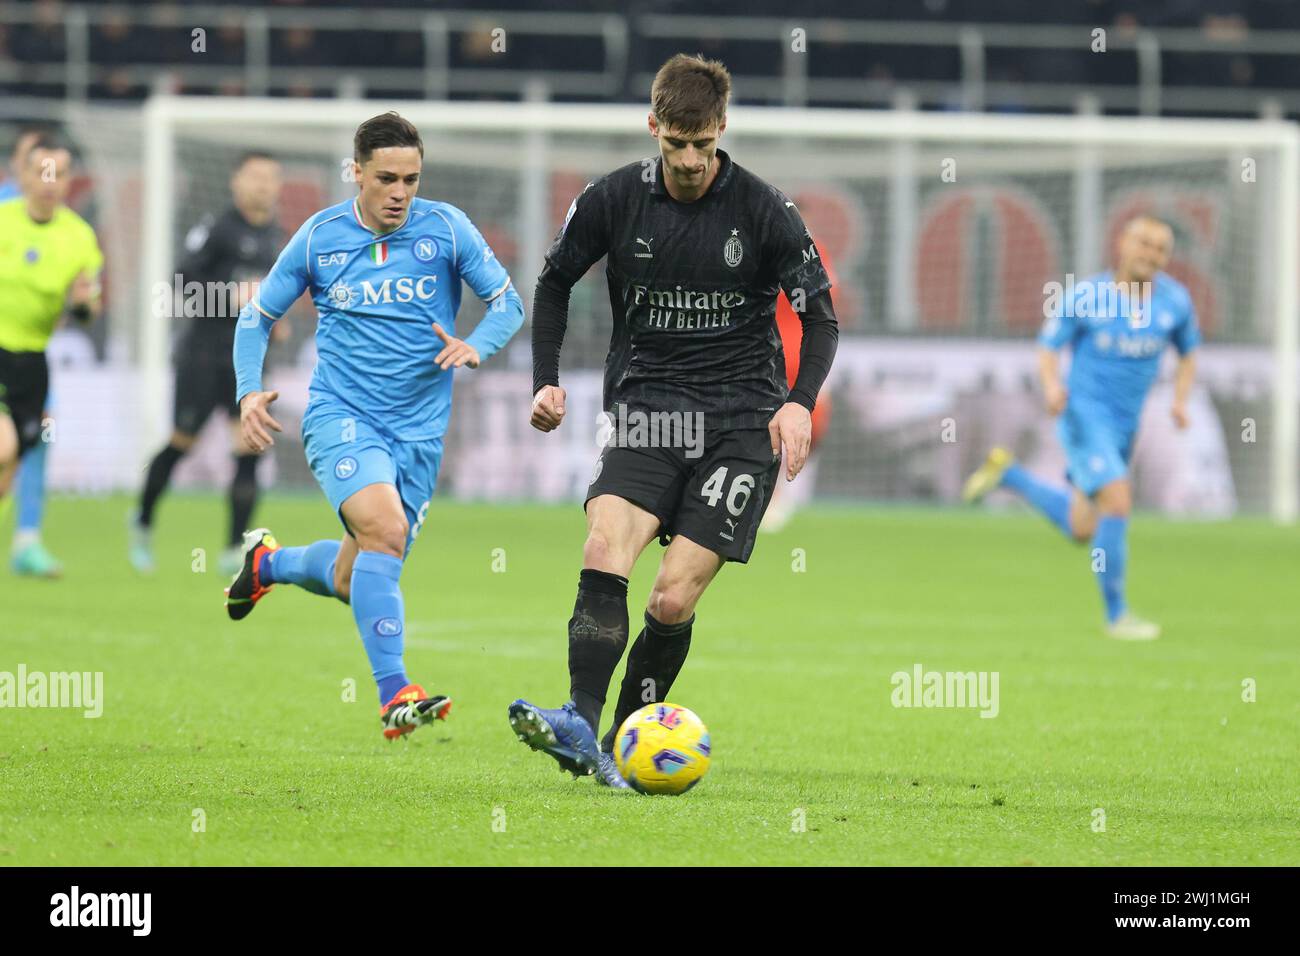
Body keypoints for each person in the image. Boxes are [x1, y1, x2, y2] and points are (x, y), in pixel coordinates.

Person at [509, 54, 838, 788]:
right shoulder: (613, 199)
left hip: (740, 423)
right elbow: (555, 281)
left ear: (721, 130)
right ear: (653, 127)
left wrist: (798, 401)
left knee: (672, 595)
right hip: (648, 410)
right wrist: (546, 381)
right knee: (603, 543)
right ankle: (578, 724)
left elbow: (820, 319)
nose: (690, 161)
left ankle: (626, 744)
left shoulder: (764, 209)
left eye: (703, 145)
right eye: (676, 144)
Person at [227, 112, 524, 739]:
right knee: (385, 532)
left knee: (349, 575)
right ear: (355, 172)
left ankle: (268, 566)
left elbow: (508, 303)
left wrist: (476, 345)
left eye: (411, 179)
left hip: (419, 435)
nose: (400, 192)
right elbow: (254, 318)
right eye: (386, 178)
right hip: (341, 416)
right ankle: (395, 693)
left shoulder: (446, 228)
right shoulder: (318, 238)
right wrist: (250, 392)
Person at [962, 215, 1199, 640]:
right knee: (1119, 502)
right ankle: (1118, 616)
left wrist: (1181, 401)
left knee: (1082, 528)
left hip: (1128, 425)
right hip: (1085, 417)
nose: (1151, 254)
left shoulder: (1175, 302)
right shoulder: (1087, 296)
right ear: (1123, 244)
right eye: (1144, 243)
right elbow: (1048, 348)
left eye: (1161, 248)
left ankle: (1008, 474)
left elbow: (1188, 354)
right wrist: (1052, 388)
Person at [129, 151, 286, 576]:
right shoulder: (216, 228)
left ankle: (234, 549)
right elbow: (181, 285)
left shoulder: (279, 236)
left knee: (249, 445)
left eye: (271, 178)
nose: (263, 185)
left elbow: (275, 293)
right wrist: (229, 297)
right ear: (235, 182)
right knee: (183, 440)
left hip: (248, 360)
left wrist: (278, 320)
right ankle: (142, 523)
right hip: (203, 355)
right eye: (254, 176)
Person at [0, 140, 103, 572]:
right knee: (3, 446)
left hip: (32, 362)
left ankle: (24, 542)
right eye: (40, 171)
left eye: (58, 173)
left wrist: (81, 302)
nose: (48, 182)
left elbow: (87, 311)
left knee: (14, 457)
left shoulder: (79, 238)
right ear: (20, 175)